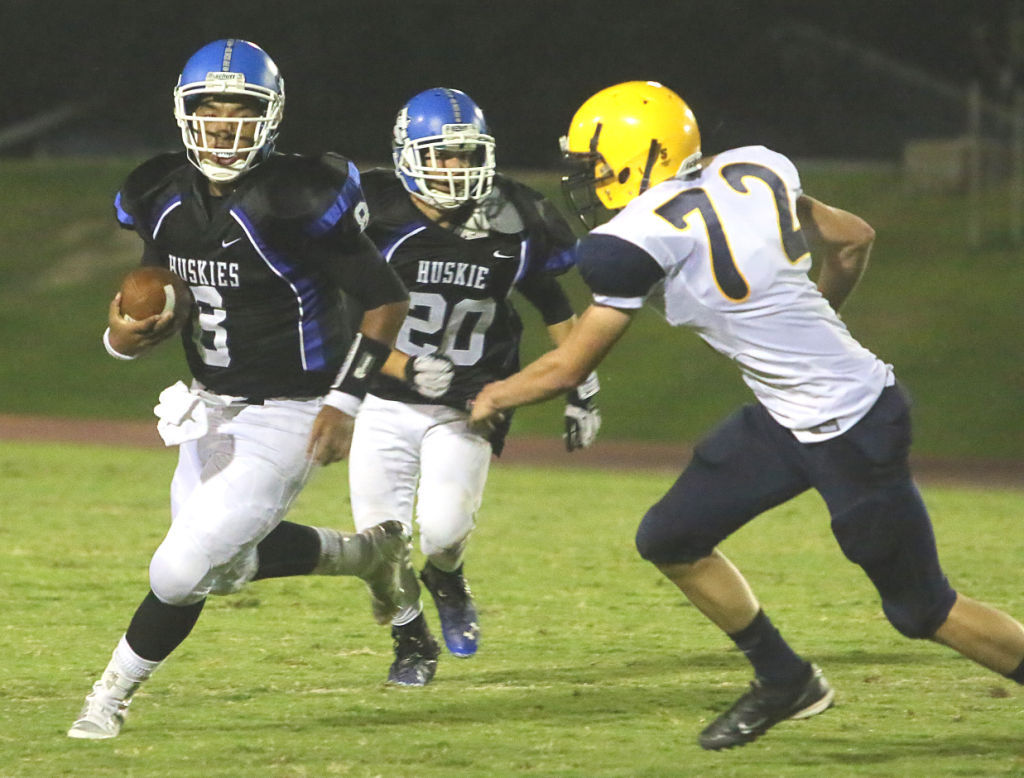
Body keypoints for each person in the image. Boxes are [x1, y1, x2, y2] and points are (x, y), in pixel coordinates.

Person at [470, 80, 1024, 750]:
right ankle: (785, 679)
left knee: (923, 609)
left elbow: (568, 367)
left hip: (850, 428)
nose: (586, 182)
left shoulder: (628, 241)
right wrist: (818, 318)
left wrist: (492, 395)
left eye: (593, 166)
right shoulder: (754, 170)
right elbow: (853, 239)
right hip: (790, 416)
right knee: (670, 538)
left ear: (635, 156)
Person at [67, 39, 429, 739]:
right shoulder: (157, 192)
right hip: (209, 404)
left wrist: (345, 400)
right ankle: (369, 556)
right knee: (221, 572)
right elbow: (158, 292)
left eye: (242, 111)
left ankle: (107, 697)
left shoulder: (296, 195)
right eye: (211, 109)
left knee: (178, 570)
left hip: (292, 408)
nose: (225, 125)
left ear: (271, 118)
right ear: (185, 113)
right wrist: (123, 334)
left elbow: (384, 298)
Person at [348, 87, 601, 686]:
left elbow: (552, 300)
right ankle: (411, 641)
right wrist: (405, 368)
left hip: (470, 400)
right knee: (377, 545)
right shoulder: (374, 215)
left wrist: (582, 381)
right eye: (442, 155)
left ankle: (447, 573)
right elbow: (346, 322)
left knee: (442, 530)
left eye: (465, 154)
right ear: (408, 156)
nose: (456, 168)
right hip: (383, 401)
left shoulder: (515, 217)